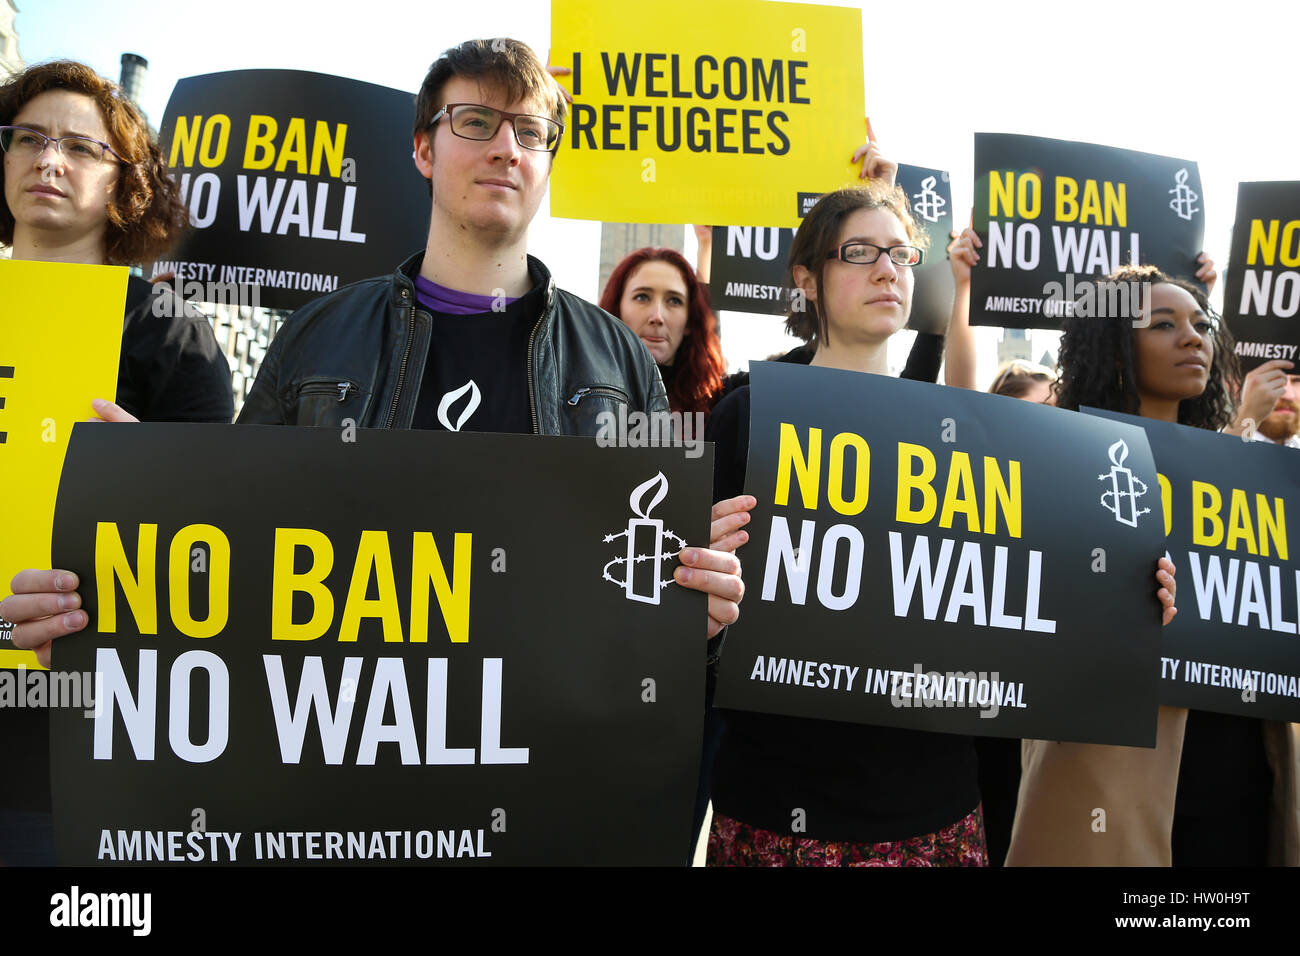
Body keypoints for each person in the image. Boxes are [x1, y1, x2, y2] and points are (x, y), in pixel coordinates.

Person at [3, 41, 751, 869]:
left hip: (541, 800)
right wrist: (133, 541)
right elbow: (235, 558)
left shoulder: (618, 362)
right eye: (476, 121)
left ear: (547, 163)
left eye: (531, 131)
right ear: (424, 150)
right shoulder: (319, 336)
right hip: (344, 803)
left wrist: (702, 613)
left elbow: (649, 605)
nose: (506, 146)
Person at [705, 178, 992, 866]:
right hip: (778, 804)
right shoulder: (746, 416)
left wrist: (1122, 595)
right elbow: (670, 618)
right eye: (859, 252)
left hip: (933, 804)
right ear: (807, 277)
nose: (887, 269)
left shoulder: (954, 434)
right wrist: (698, 600)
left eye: (899, 254)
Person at [0, 60, 233, 866]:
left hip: (71, 729)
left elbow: (220, 553)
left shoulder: (173, 336)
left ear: (127, 184)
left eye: (80, 147)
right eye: (27, 138)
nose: (48, 160)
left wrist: (155, 496)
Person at [1009, 264, 1298, 866]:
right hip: (1114, 771)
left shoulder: (1254, 481)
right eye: (1163, 324)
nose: (1193, 338)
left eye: (1201, 324)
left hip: (1239, 767)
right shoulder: (1059, 460)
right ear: (1115, 348)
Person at [599, 246, 727, 417]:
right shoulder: (574, 394)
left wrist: (707, 246)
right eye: (642, 297)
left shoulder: (717, 404)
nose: (657, 316)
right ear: (616, 310)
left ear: (689, 320)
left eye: (674, 301)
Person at [1230, 359, 1300, 448]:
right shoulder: (1211, 446)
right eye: (1274, 379)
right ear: (1234, 386)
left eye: (1297, 380)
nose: (1289, 395)